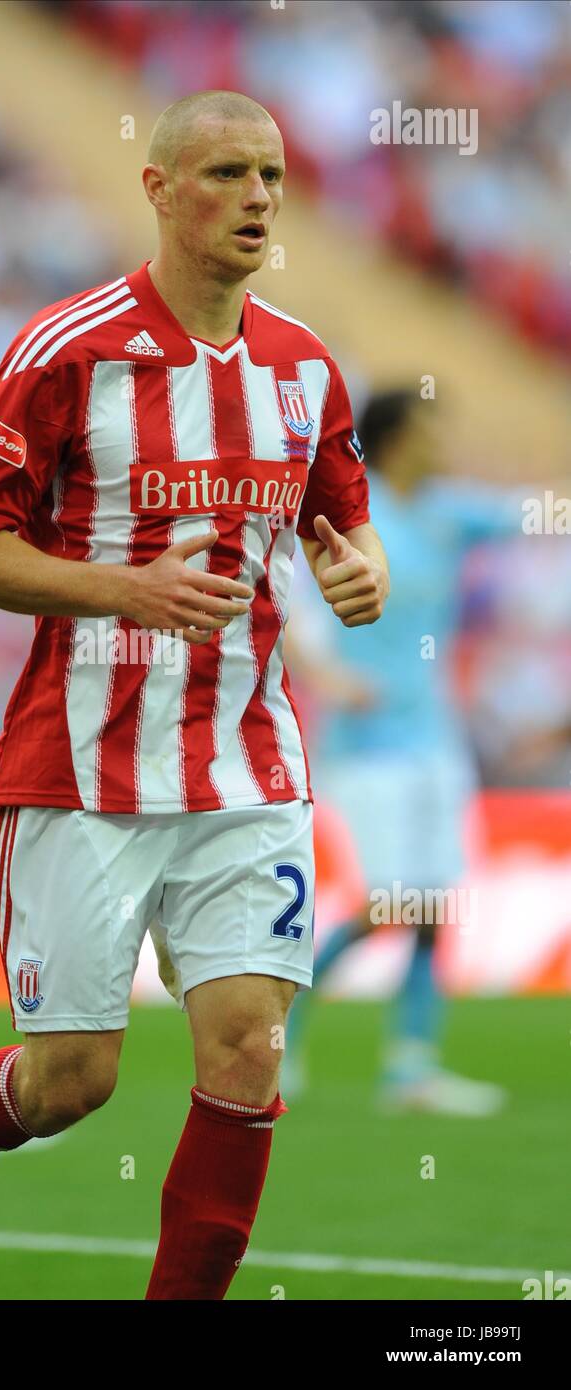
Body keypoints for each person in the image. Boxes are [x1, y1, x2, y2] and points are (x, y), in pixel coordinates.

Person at [0, 89, 388, 1300]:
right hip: (82, 771)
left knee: (247, 1055)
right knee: (74, 1081)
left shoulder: (305, 366)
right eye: (226, 174)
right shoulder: (69, 350)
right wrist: (122, 590)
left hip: (247, 768)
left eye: (270, 175)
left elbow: (346, 529)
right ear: (158, 189)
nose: (258, 198)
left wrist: (359, 574)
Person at [282, 388, 514, 1116]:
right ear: (394, 437)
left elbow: (538, 511)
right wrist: (326, 676)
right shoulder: (353, 508)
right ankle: (274, 1037)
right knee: (390, 902)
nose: (443, 436)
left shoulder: (450, 510)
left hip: (433, 739)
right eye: (429, 424)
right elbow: (292, 602)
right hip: (365, 740)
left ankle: (411, 1069)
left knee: (432, 902)